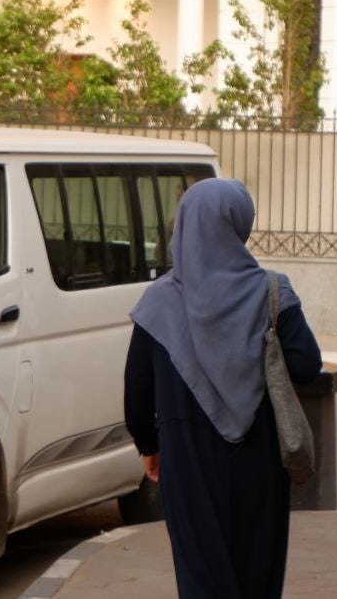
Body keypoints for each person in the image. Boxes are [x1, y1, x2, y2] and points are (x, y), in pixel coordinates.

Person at [124, 178, 322, 599]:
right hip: (260, 460)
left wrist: (149, 447)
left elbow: (136, 391)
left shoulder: (158, 302)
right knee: (256, 571)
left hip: (187, 459)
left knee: (200, 573)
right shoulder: (271, 291)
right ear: (238, 225)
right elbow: (308, 364)